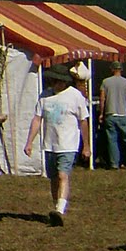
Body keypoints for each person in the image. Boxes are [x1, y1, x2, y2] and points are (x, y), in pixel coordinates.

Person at [23, 65, 90, 227]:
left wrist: (86, 145)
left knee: (62, 175)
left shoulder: (75, 96)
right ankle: (56, 209)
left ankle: (60, 209)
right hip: (50, 144)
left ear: (64, 82)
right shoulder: (45, 96)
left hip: (68, 144)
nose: (54, 84)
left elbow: (83, 121)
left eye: (57, 81)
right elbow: (37, 119)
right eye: (52, 80)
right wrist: (30, 141)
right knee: (53, 178)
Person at [97, 62, 126, 170]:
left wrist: (101, 113)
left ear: (112, 69)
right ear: (121, 69)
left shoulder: (105, 82)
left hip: (110, 113)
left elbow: (102, 99)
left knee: (112, 140)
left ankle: (114, 163)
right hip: (122, 113)